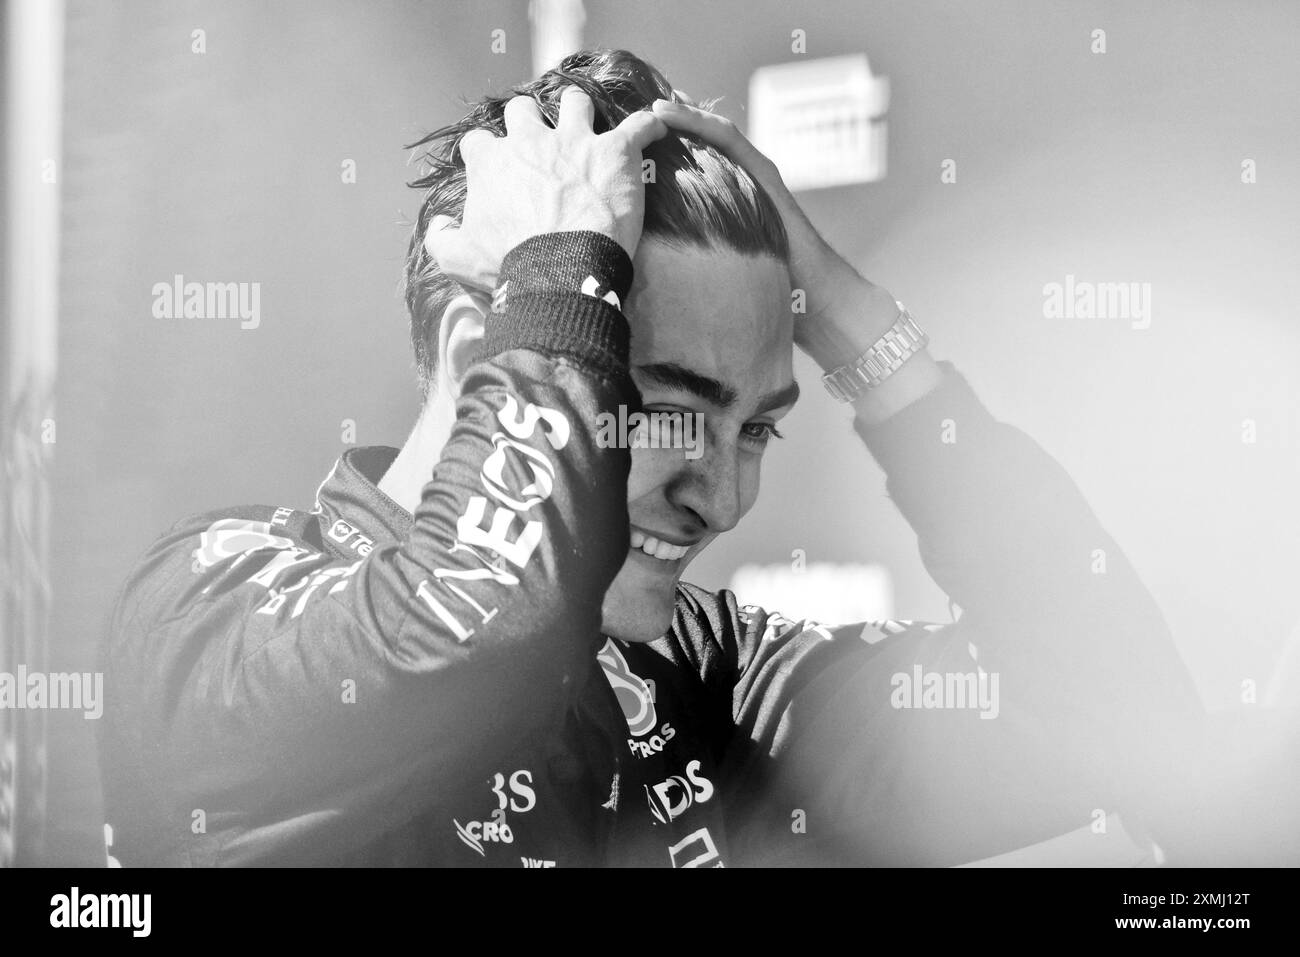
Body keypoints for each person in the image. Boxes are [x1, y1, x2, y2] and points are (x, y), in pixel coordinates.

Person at [98, 49, 1202, 867]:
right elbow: (478, 626)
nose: (722, 497)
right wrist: (564, 275)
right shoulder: (211, 611)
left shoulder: (699, 666)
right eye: (668, 413)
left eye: (757, 428)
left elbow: (1107, 711)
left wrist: (864, 336)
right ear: (489, 349)